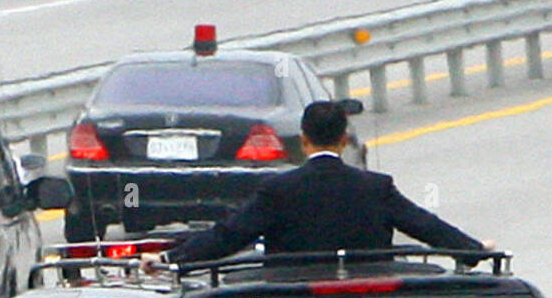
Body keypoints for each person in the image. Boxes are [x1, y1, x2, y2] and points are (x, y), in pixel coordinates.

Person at [146, 101, 494, 268]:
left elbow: (228, 236)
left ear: (303, 141)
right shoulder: (376, 188)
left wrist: (170, 259)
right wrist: (474, 249)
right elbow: (425, 226)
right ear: (344, 141)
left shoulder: (278, 191)